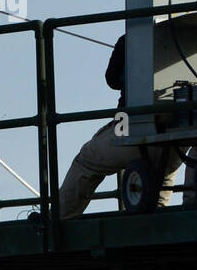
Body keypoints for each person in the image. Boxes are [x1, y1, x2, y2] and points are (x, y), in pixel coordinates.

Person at [59, 35, 186, 219]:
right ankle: (160, 218)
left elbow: (112, 79)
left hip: (130, 124)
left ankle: (59, 220)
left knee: (87, 159)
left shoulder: (132, 37)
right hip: (182, 130)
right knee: (164, 169)